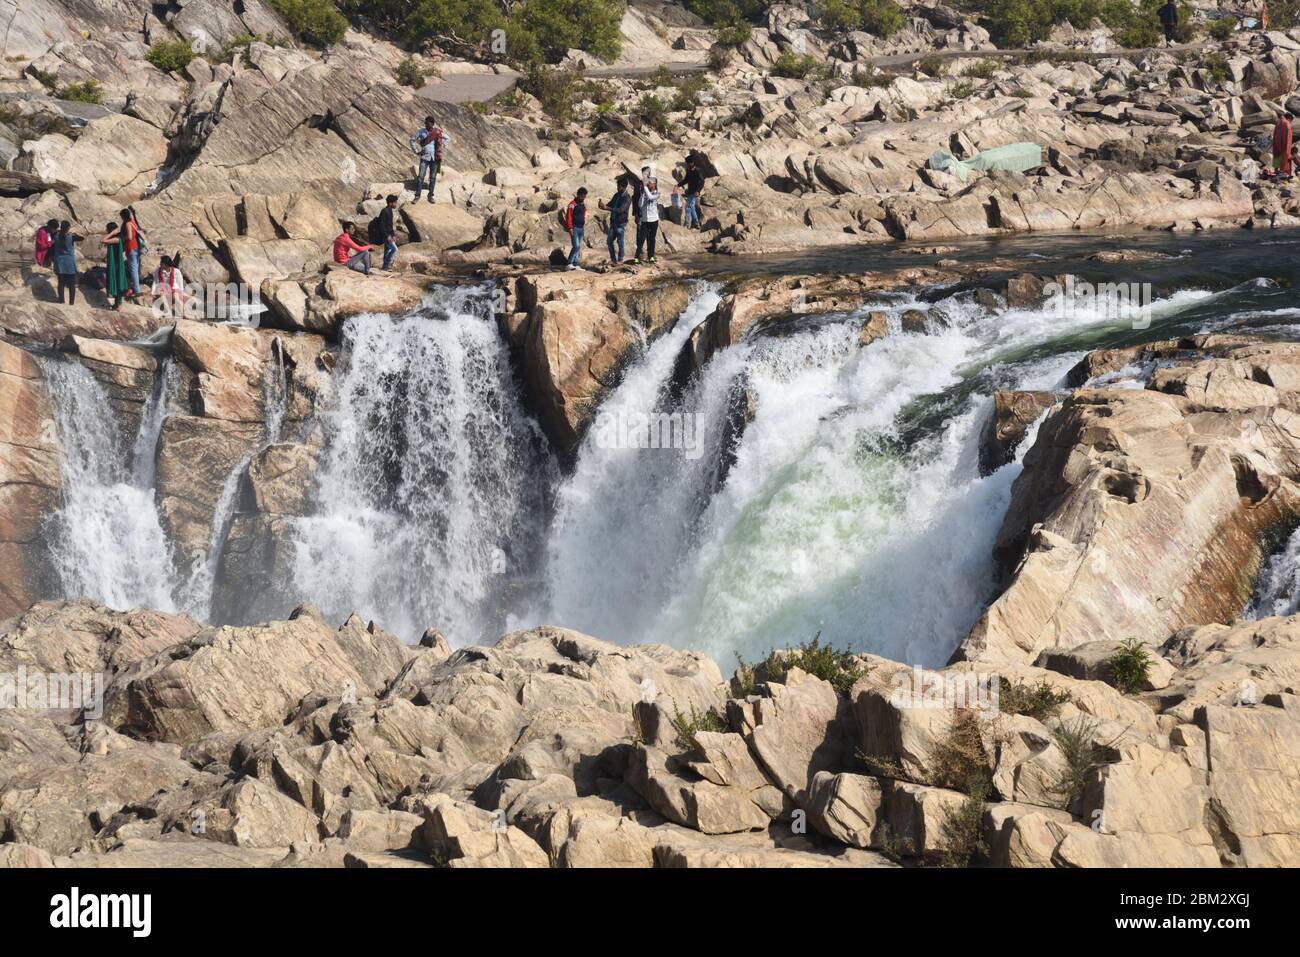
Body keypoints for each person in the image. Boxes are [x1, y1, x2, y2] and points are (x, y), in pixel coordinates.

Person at [410, 116, 447, 204]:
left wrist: (442, 146)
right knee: (420, 177)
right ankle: (417, 196)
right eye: (425, 123)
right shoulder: (421, 131)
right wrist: (416, 151)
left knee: (433, 178)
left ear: (432, 124)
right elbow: (412, 140)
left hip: (434, 158)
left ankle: (430, 196)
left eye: (428, 123)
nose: (426, 125)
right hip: (424, 157)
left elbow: (447, 138)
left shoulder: (437, 132)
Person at [598, 177, 632, 265]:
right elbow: (610, 204)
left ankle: (620, 259)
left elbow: (621, 210)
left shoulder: (627, 198)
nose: (617, 187)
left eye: (619, 186)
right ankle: (613, 260)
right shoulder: (616, 195)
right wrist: (602, 206)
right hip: (613, 221)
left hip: (620, 223)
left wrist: (607, 208)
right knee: (609, 241)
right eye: (617, 186)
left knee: (620, 241)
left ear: (624, 187)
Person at [51, 221, 83, 305]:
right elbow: (82, 238)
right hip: (69, 262)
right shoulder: (71, 237)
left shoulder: (56, 235)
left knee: (61, 282)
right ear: (68, 228)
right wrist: (75, 232)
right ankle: (71, 303)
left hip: (59, 261)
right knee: (71, 283)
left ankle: (61, 301)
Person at [119, 207, 145, 299]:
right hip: (137, 247)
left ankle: (137, 290)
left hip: (131, 247)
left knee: (133, 269)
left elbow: (129, 237)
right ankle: (136, 287)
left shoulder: (127, 224)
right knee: (135, 268)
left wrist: (122, 239)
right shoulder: (133, 221)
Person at [369, 194, 400, 270]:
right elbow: (382, 225)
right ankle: (387, 264)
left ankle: (385, 267)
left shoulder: (390, 211)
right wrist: (387, 236)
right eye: (395, 202)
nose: (396, 204)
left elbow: (390, 225)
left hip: (389, 234)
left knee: (387, 250)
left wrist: (393, 235)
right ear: (390, 203)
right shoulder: (384, 211)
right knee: (394, 249)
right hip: (385, 235)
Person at [629, 165, 652, 264]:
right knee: (639, 233)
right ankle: (640, 253)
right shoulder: (638, 185)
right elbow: (634, 199)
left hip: (650, 214)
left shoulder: (652, 184)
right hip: (641, 213)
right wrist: (635, 214)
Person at [102, 220, 128, 310]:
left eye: (108, 230)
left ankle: (119, 305)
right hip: (114, 263)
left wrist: (112, 233)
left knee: (117, 282)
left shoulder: (117, 239)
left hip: (117, 265)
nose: (106, 231)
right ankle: (117, 304)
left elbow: (103, 240)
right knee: (116, 283)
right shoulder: (116, 239)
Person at [637, 177, 661, 265]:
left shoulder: (657, 194)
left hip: (654, 220)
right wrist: (643, 194)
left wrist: (644, 187)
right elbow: (640, 205)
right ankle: (637, 256)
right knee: (641, 238)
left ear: (654, 184)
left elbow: (651, 197)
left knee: (652, 239)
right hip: (645, 220)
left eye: (650, 183)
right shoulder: (645, 193)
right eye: (648, 183)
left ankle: (651, 256)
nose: (648, 184)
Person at [564, 187, 587, 270]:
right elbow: (569, 216)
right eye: (582, 196)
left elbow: (584, 213)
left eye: (584, 196)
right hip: (574, 228)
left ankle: (575, 263)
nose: (583, 198)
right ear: (578, 195)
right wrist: (570, 228)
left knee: (578, 246)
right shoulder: (572, 204)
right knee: (576, 246)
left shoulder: (583, 204)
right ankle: (569, 263)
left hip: (581, 228)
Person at [679, 156, 705, 229]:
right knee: (692, 208)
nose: (688, 164)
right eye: (687, 163)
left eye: (689, 163)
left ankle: (687, 224)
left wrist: (698, 191)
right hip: (690, 191)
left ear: (692, 163)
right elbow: (686, 180)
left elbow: (702, 181)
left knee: (688, 207)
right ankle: (696, 223)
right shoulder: (688, 170)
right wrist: (678, 185)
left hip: (695, 192)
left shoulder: (698, 170)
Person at [1273, 111, 1294, 180]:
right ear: (1289, 118)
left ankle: (1275, 172)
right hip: (1284, 145)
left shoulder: (1278, 123)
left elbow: (1275, 134)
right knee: (1285, 159)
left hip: (1277, 144)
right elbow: (1288, 138)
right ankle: (1283, 174)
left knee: (1277, 157)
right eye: (1291, 120)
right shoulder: (1287, 124)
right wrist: (1288, 150)